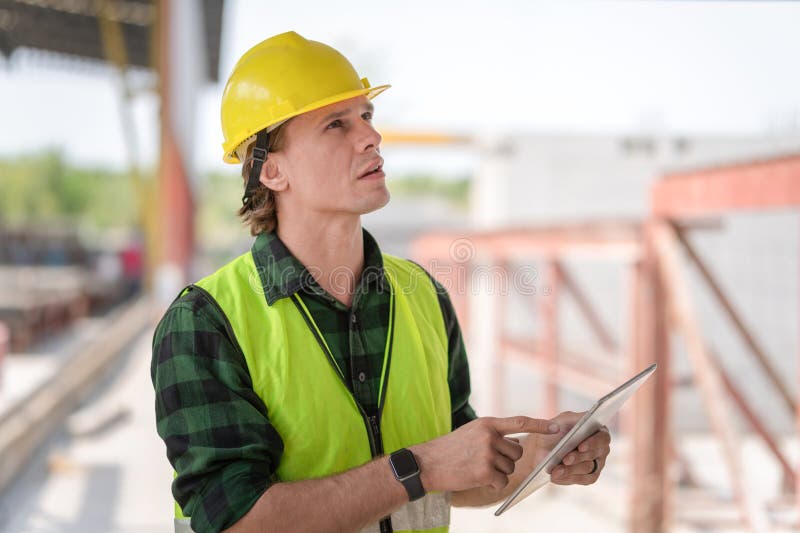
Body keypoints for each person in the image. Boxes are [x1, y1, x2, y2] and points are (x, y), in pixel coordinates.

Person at [151, 31, 612, 533]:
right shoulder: (205, 323)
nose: (370, 137)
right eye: (335, 124)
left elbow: (458, 470)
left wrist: (542, 457)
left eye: (367, 116)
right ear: (272, 171)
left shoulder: (424, 297)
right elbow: (236, 521)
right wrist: (421, 466)